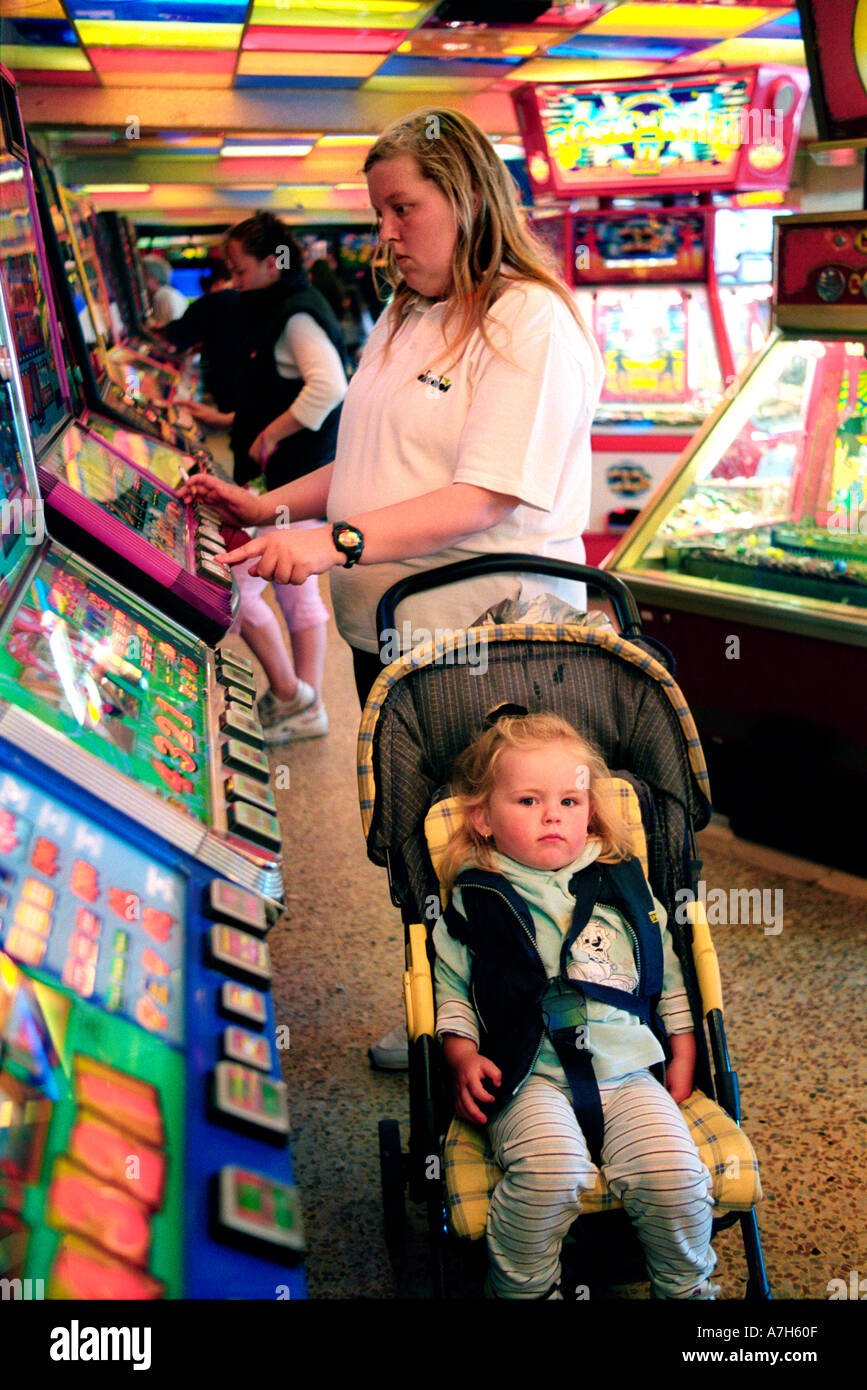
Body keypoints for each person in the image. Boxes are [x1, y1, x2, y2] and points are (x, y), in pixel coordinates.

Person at [178, 108, 604, 1057]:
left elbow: (486, 493)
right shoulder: (413, 315)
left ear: (464, 196)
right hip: (399, 636)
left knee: (496, 856)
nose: (388, 234)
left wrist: (336, 542)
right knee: (423, 849)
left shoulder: (526, 320)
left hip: (492, 642)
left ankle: (527, 1050)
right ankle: (455, 1028)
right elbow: (369, 455)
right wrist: (269, 506)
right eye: (380, 213)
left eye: (403, 209)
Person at [433, 711, 718, 1301]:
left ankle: (686, 1290)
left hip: (629, 1070)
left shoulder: (621, 883)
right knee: (549, 1174)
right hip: (525, 1074)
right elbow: (452, 991)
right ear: (483, 819)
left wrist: (684, 1051)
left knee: (676, 1178)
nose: (552, 814)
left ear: (589, 809)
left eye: (569, 799)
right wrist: (461, 1057)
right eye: (529, 800)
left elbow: (665, 978)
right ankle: (523, 1290)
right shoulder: (474, 896)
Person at [186, 214, 348, 742]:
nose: (234, 281)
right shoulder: (282, 309)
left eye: (239, 269)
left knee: (233, 587)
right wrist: (230, 422)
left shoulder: (295, 315)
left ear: (271, 262)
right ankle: (305, 703)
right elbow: (278, 389)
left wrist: (269, 435)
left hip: (298, 480)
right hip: (291, 479)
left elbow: (328, 388)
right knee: (296, 596)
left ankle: (292, 695)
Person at [156, 259, 245, 414]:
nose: (237, 282)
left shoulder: (218, 301)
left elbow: (175, 339)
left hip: (231, 388)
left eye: (241, 272)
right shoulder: (237, 300)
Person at [141, 254, 188, 328]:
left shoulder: (162, 295)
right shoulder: (170, 292)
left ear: (153, 276)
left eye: (144, 276)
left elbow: (161, 327)